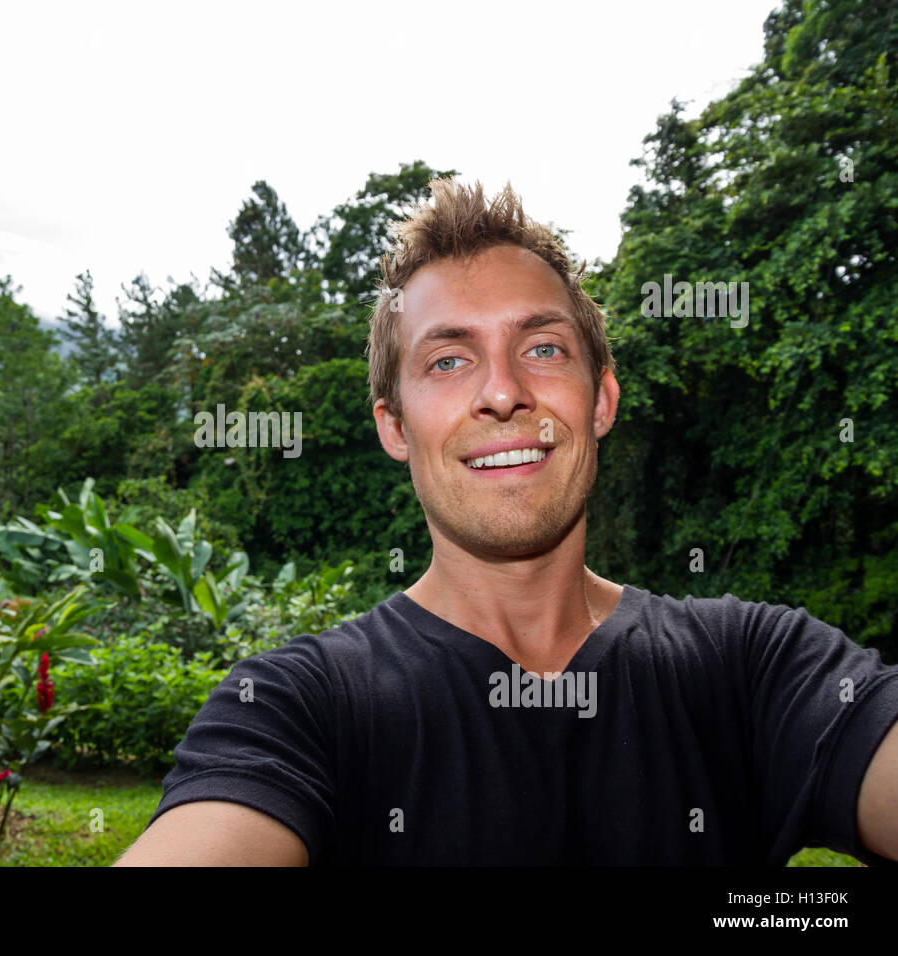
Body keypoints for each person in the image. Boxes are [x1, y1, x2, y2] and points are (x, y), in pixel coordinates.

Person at [113, 179, 898, 866]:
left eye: (545, 349)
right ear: (393, 426)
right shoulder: (300, 708)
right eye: (448, 361)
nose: (502, 392)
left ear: (601, 401)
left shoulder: (752, 667)